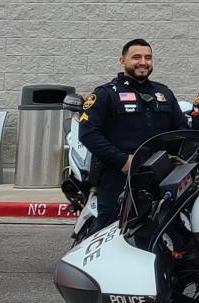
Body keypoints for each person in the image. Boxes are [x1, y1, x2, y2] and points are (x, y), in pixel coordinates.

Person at [77, 39, 187, 232]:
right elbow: (88, 133)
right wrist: (123, 161)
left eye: (148, 57)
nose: (143, 62)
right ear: (122, 60)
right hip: (117, 177)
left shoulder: (164, 93)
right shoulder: (105, 94)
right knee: (111, 231)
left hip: (158, 176)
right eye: (136, 57)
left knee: (160, 230)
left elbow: (181, 131)